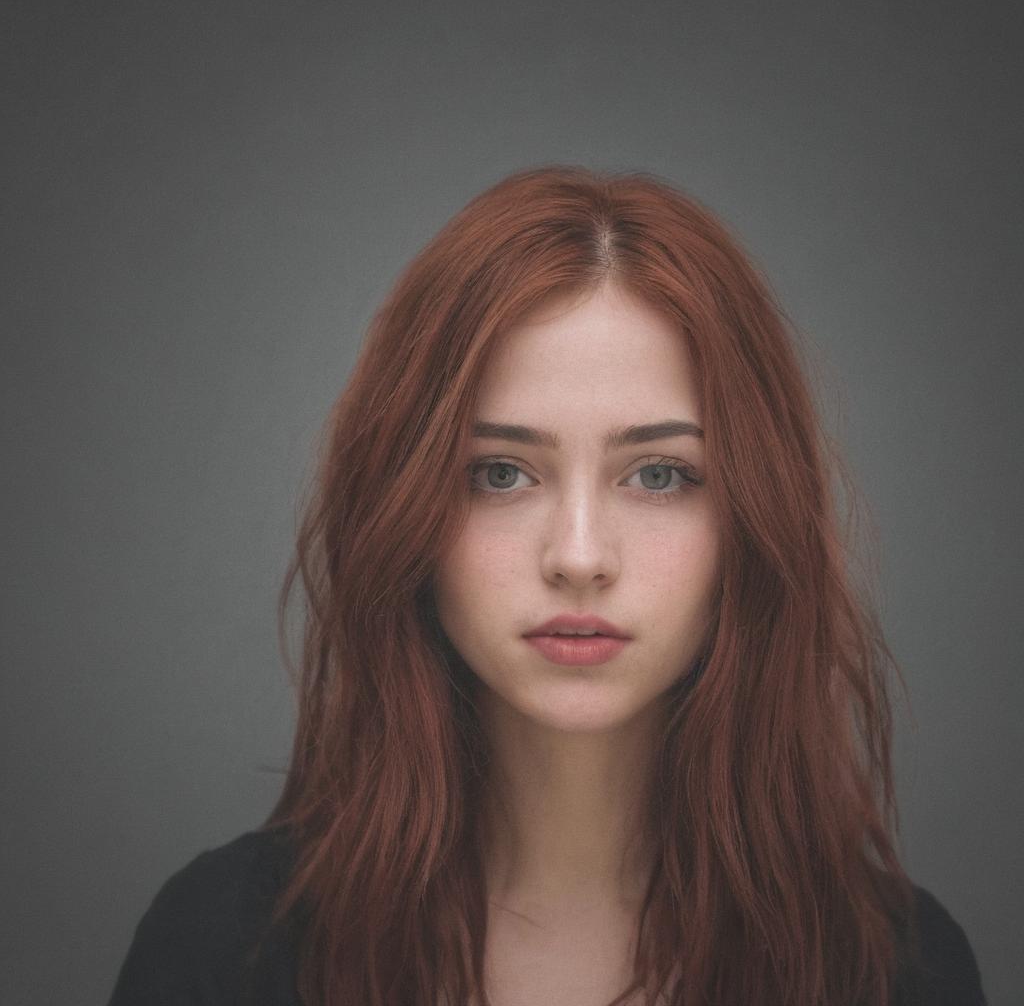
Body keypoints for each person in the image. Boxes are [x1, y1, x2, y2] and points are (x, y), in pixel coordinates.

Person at [108, 166, 987, 1006]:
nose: (577, 555)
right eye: (499, 473)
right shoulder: (225, 950)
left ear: (754, 522)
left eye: (658, 476)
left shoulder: (895, 971)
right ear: (404, 510)